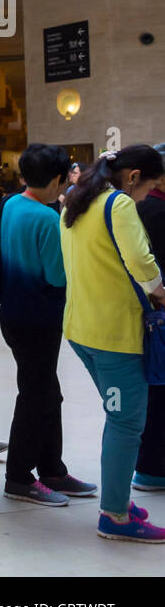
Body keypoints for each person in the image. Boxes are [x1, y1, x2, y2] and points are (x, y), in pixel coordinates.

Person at [60, 145, 165, 542]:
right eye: (149, 186)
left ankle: (117, 499)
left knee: (117, 415)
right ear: (134, 176)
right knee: (125, 421)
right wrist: (160, 292)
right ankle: (115, 516)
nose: (145, 196)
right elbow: (141, 261)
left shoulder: (77, 201)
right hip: (114, 335)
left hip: (81, 329)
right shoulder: (118, 204)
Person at [0, 144, 94, 505]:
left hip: (15, 314)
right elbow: (57, 276)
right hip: (39, 318)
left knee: (46, 392)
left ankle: (52, 468)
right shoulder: (46, 219)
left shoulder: (12, 205)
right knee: (36, 396)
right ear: (56, 179)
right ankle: (19, 477)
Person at [134, 144, 165, 493]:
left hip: (150, 312)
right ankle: (152, 469)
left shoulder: (147, 207)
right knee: (159, 391)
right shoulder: (153, 210)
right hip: (157, 313)